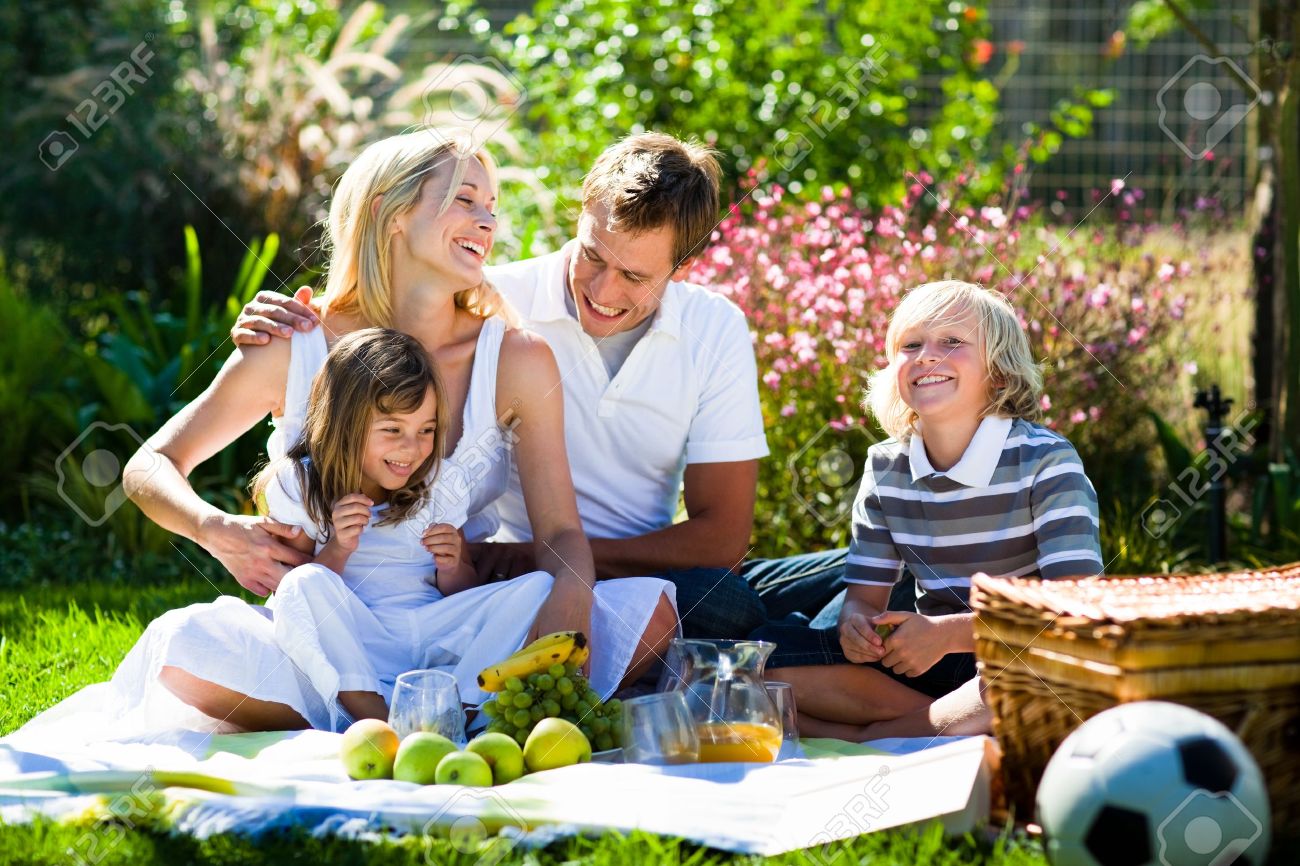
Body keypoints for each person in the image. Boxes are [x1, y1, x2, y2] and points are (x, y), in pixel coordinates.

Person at [97, 128, 675, 734]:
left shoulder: (515, 358)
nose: (487, 223)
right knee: (187, 644)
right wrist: (216, 531)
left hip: (455, 626)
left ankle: (396, 717)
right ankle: (438, 717)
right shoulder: (295, 344)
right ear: (389, 212)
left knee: (648, 611)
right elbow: (150, 465)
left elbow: (560, 530)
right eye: (465, 200)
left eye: (493, 209)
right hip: (323, 630)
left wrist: (570, 596)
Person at [233, 133, 772, 639]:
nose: (605, 290)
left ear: (683, 267)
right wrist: (287, 328)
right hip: (498, 577)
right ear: (579, 218)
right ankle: (794, 671)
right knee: (744, 615)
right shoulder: (484, 298)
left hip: (575, 564)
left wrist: (544, 562)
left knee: (751, 596)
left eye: (635, 277)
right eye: (592, 256)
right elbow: (380, 320)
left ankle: (813, 653)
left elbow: (723, 539)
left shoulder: (711, 326)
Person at [753, 280, 1104, 739]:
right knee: (756, 660)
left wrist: (944, 635)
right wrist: (856, 630)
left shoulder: (1045, 461)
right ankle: (937, 723)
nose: (926, 357)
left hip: (1021, 652)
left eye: (952, 342)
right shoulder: (886, 466)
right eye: (910, 345)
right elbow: (863, 597)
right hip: (925, 660)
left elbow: (1075, 611)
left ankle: (875, 733)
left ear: (999, 372)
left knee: (1027, 678)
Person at [251, 327, 584, 730]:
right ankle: (376, 716)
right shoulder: (303, 484)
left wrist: (453, 566)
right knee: (303, 583)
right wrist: (339, 546)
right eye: (392, 430)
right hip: (358, 636)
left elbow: (461, 592)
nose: (411, 449)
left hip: (428, 630)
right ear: (344, 423)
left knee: (538, 588)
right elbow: (295, 594)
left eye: (425, 431)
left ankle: (459, 707)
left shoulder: (439, 486)